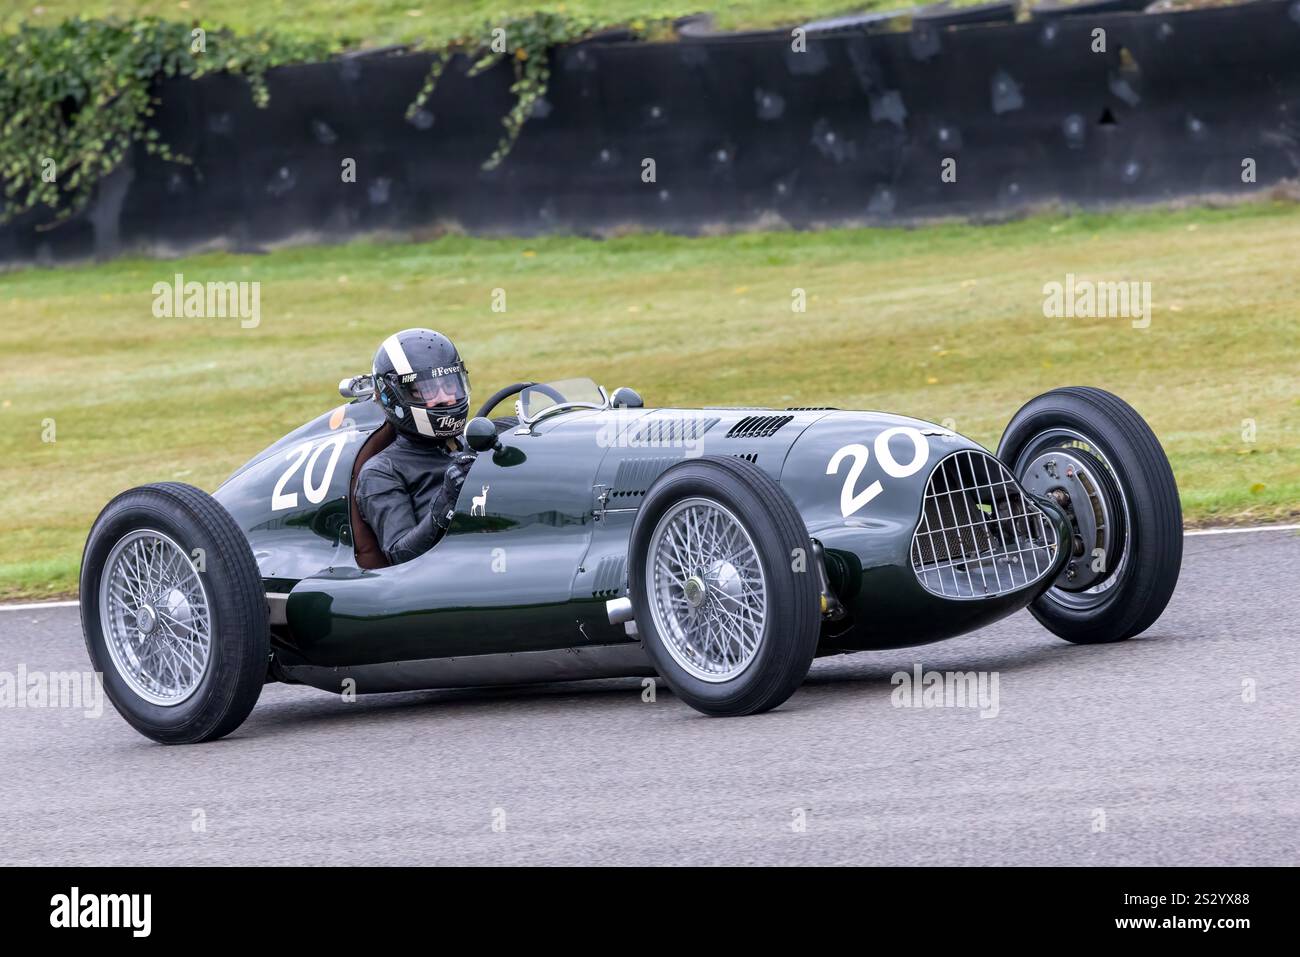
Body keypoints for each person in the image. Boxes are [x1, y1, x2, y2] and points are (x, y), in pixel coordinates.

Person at [355, 329, 477, 564]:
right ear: (395, 395)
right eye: (428, 389)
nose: (445, 398)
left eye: (450, 385)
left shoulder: (474, 441)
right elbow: (400, 555)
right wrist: (447, 502)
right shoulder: (381, 471)